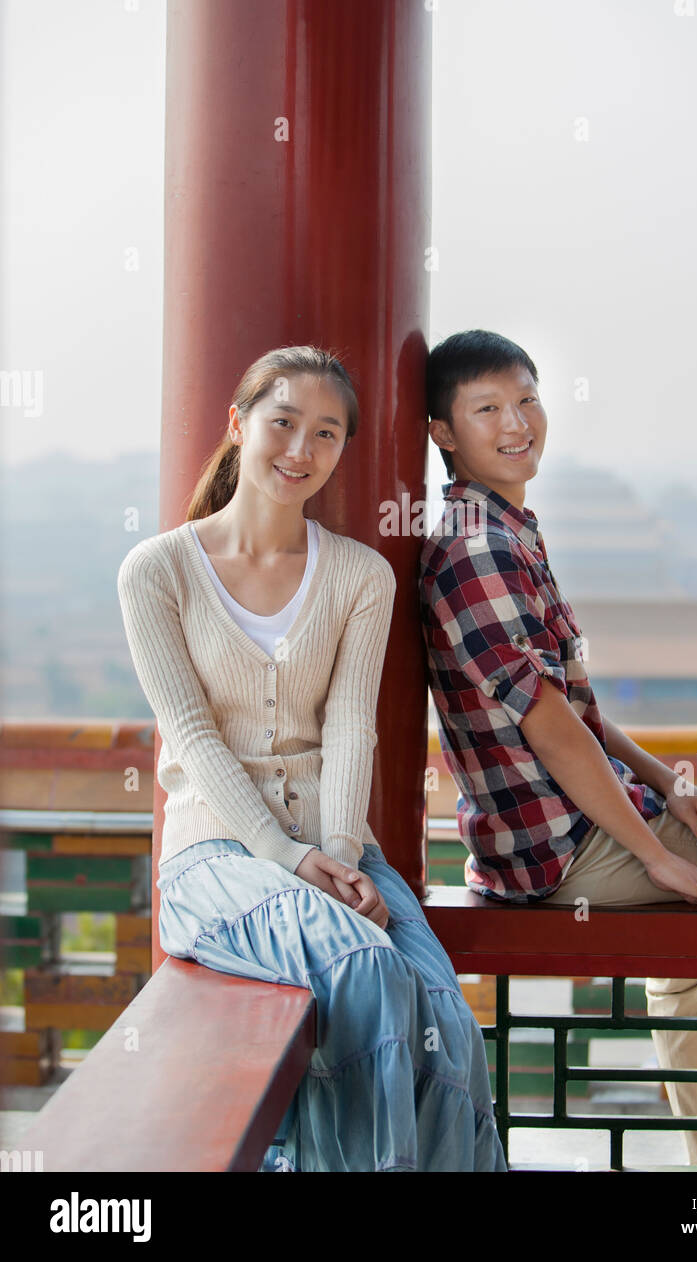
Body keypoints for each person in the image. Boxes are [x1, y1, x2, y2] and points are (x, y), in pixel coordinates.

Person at [418, 327, 697, 1169]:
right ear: (444, 432)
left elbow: (576, 704)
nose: (517, 422)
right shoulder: (479, 548)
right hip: (560, 847)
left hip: (554, 835)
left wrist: (669, 783)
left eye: (527, 398)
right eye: (487, 409)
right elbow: (549, 728)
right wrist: (650, 851)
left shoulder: (509, 530)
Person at [117, 343, 505, 1173]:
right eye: (283, 423)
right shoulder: (156, 573)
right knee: (364, 969)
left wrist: (334, 853)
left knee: (442, 1008)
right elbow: (191, 733)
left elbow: (350, 729)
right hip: (215, 857)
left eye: (325, 434)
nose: (300, 451)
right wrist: (287, 857)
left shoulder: (360, 575)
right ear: (238, 424)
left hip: (332, 851)